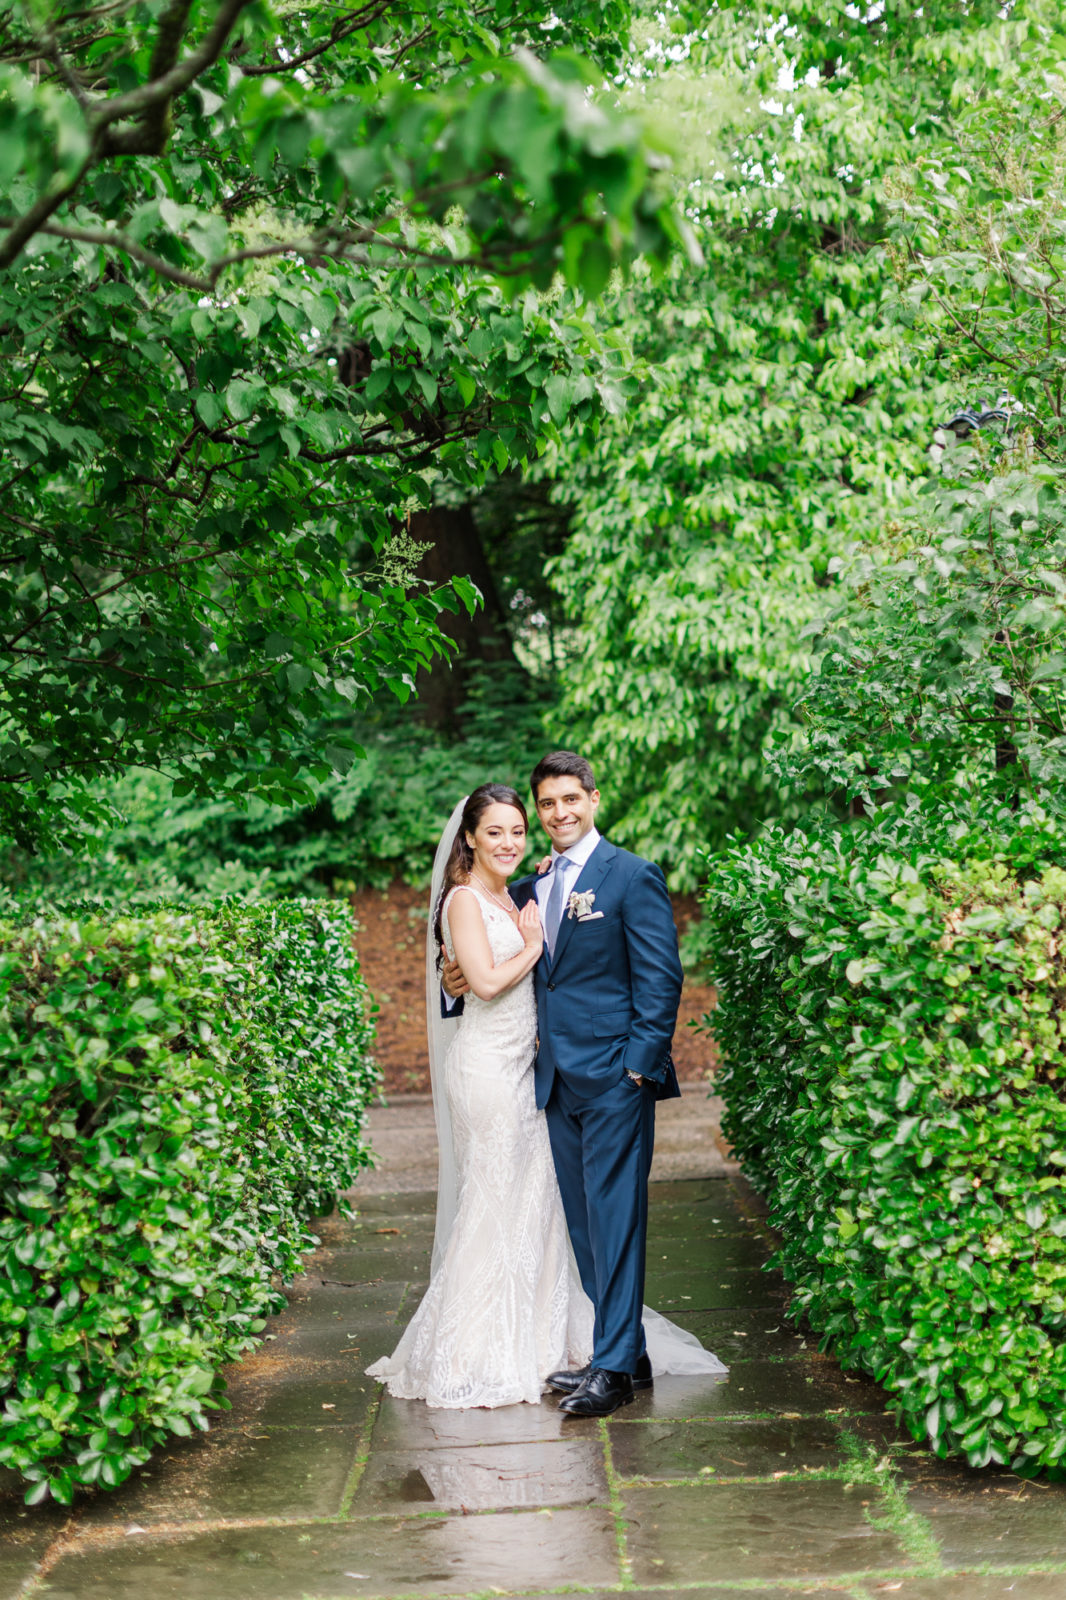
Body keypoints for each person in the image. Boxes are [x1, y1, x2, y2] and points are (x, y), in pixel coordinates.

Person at [441, 752, 725, 1417]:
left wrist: (637, 1068)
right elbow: (494, 963)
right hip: (551, 1081)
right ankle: (624, 1351)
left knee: (616, 1220)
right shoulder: (529, 887)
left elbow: (661, 979)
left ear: (593, 800)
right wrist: (454, 980)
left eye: (571, 799)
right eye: (547, 804)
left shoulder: (630, 876)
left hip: (615, 1080)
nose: (559, 813)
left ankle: (614, 1372)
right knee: (583, 1227)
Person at [366, 784, 595, 1408]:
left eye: (518, 832)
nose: (510, 843)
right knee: (493, 1204)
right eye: (495, 832)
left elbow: (496, 949)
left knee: (534, 1202)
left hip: (525, 1072)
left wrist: (542, 882)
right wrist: (533, 945)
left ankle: (539, 1343)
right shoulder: (465, 900)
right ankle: (468, 1353)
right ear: (469, 837)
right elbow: (488, 984)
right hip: (488, 1074)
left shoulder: (507, 892)